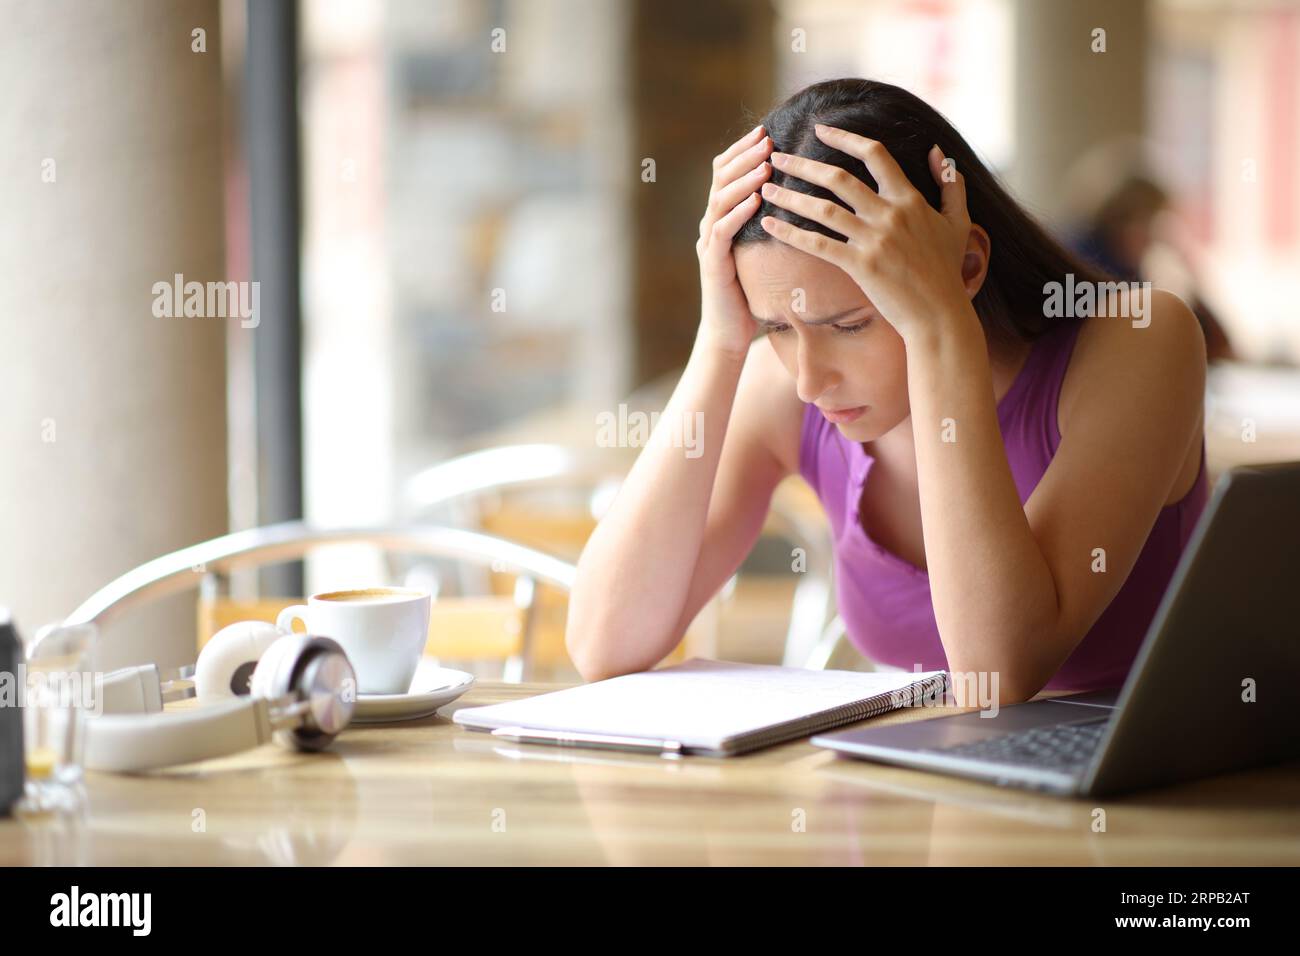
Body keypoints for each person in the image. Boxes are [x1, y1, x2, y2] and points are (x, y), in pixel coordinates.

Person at [566, 78, 1208, 705]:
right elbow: (604, 643)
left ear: (967, 265)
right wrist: (721, 342)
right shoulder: (779, 385)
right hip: (915, 792)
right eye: (777, 327)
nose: (809, 381)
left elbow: (1000, 670)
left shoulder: (1139, 341)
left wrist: (940, 327)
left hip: (1146, 804)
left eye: (848, 325)